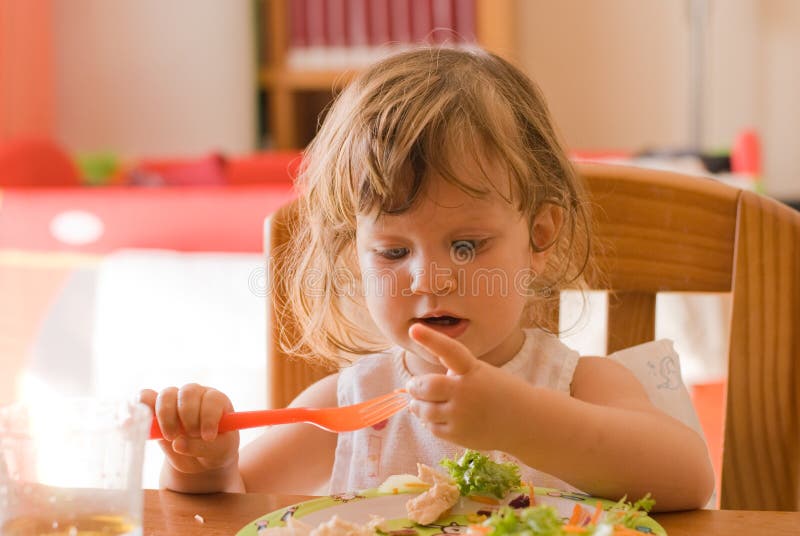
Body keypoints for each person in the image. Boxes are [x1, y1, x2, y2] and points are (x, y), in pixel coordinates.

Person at [140, 47, 714, 511]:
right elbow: (235, 507)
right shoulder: (350, 407)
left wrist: (523, 420)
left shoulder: (578, 385)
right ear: (354, 255)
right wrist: (208, 466)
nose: (429, 279)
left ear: (539, 236)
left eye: (466, 245)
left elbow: (689, 479)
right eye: (392, 251)